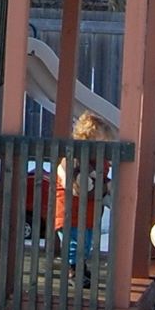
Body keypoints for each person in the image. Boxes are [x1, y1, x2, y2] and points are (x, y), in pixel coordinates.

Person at [54, 110, 114, 265]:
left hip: (88, 213)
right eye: (101, 142)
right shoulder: (75, 159)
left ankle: (79, 267)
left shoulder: (98, 163)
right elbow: (82, 188)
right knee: (75, 242)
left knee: (86, 242)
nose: (104, 148)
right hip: (71, 212)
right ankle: (73, 269)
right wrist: (107, 186)